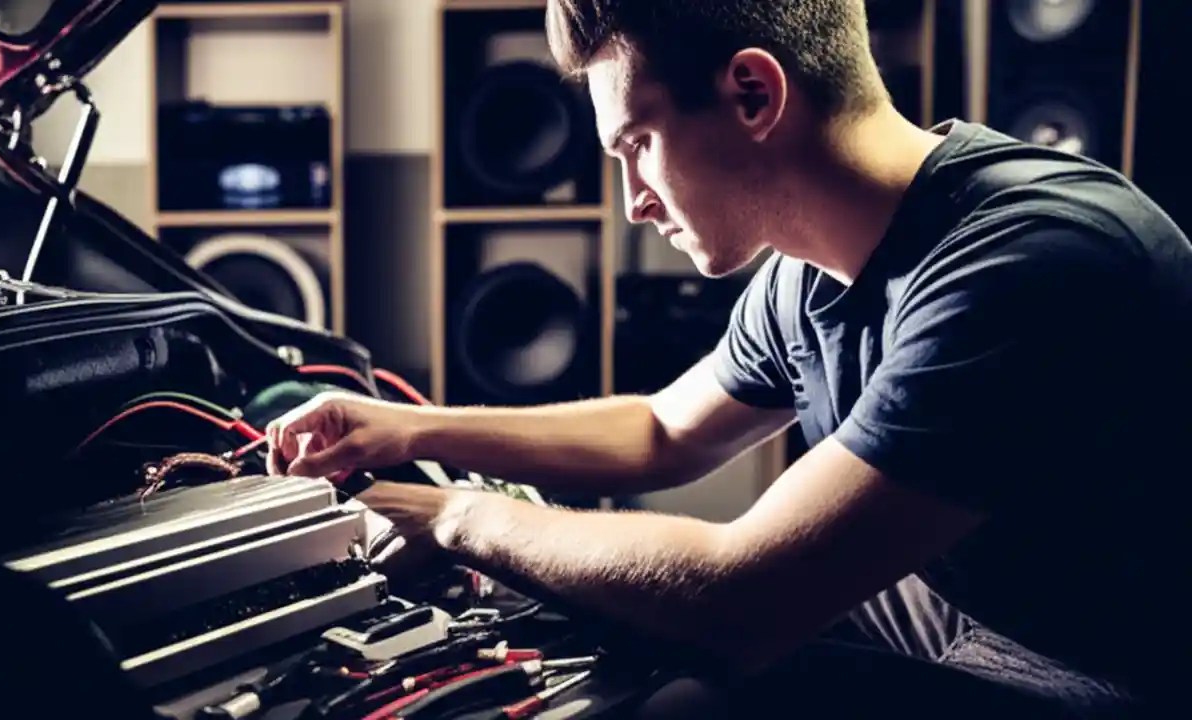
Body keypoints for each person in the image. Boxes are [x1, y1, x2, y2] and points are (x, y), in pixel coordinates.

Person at [267, 1, 1191, 716]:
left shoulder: (1030, 261)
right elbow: (664, 429)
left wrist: (460, 516)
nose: (632, 200)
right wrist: (403, 427)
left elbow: (741, 593)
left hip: (1111, 677)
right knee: (595, 637)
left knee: (682, 701)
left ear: (754, 93)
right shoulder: (808, 267)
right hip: (968, 605)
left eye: (637, 145)